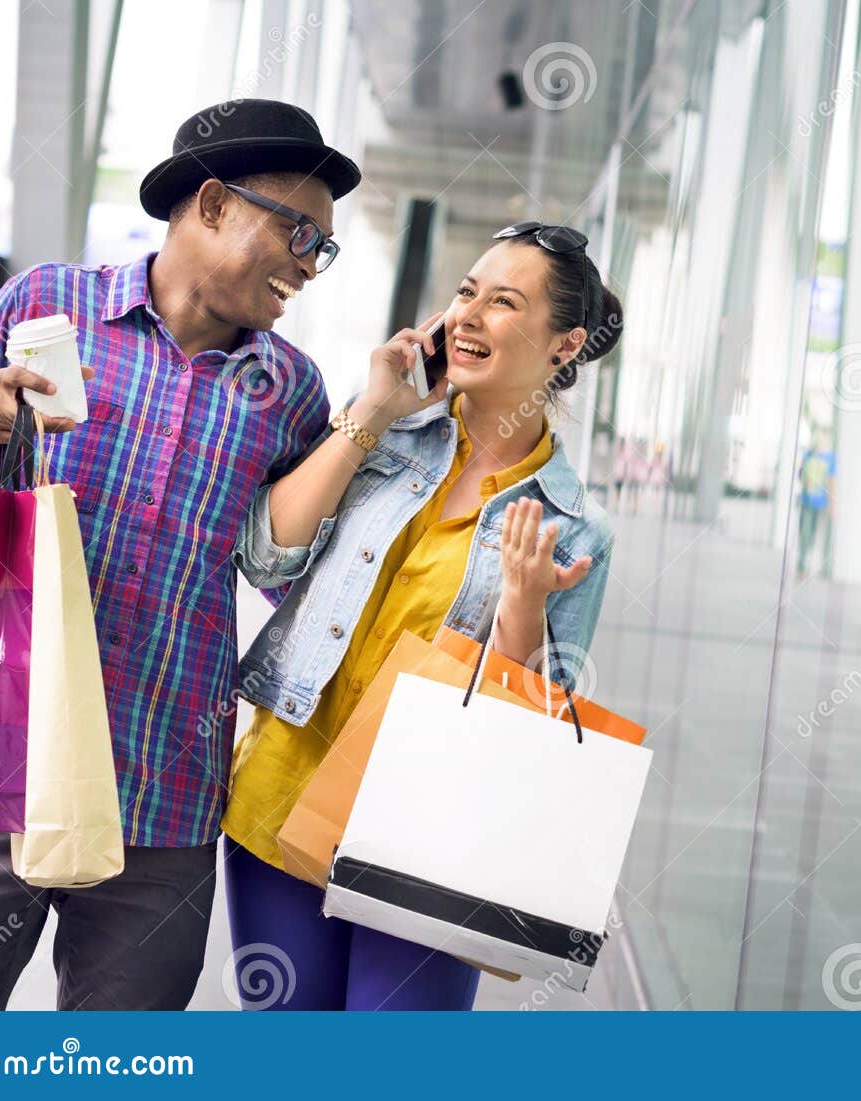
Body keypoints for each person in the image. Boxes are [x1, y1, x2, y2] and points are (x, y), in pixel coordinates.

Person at [0, 99, 358, 1011]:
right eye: (301, 231)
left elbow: (294, 576)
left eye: (325, 248)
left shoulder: (291, 391)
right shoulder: (48, 304)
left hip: (165, 791)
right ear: (212, 204)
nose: (310, 265)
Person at [221, 220, 622, 1011]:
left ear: (565, 346)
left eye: (504, 302)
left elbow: (535, 722)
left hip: (427, 835)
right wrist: (374, 404)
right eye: (466, 293)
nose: (468, 315)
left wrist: (523, 606)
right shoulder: (381, 434)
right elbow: (266, 558)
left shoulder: (573, 527)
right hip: (282, 795)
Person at [795, 429, 835, 580]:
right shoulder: (827, 457)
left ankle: (805, 565)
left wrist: (832, 503)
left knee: (809, 534)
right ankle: (803, 566)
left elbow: (831, 481)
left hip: (814, 501)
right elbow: (830, 481)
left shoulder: (811, 455)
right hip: (811, 502)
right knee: (808, 534)